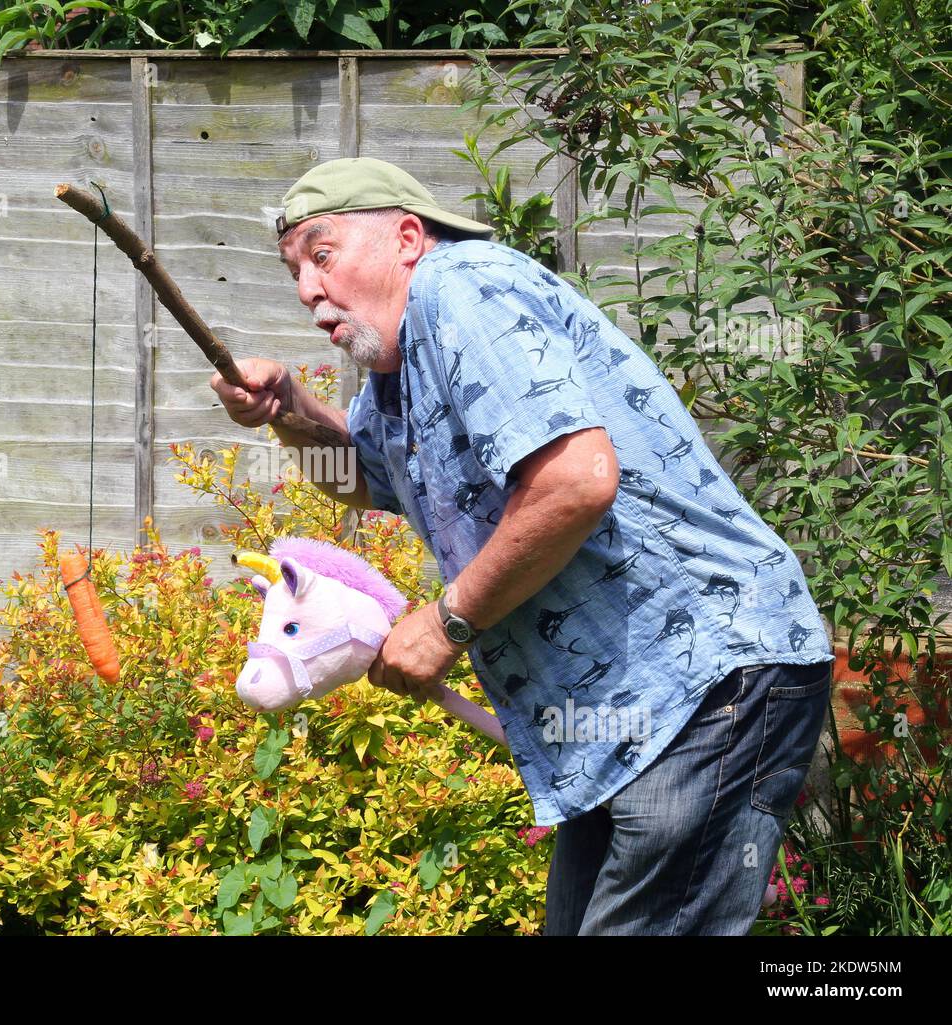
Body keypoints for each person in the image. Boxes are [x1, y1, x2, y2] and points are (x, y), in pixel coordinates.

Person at [209, 156, 834, 935]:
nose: (307, 289)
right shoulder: (397, 370)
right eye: (294, 269)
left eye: (322, 253)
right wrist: (287, 407)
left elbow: (576, 481)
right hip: (630, 709)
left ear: (408, 237)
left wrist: (444, 623)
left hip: (708, 679)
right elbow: (366, 479)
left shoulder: (462, 290)